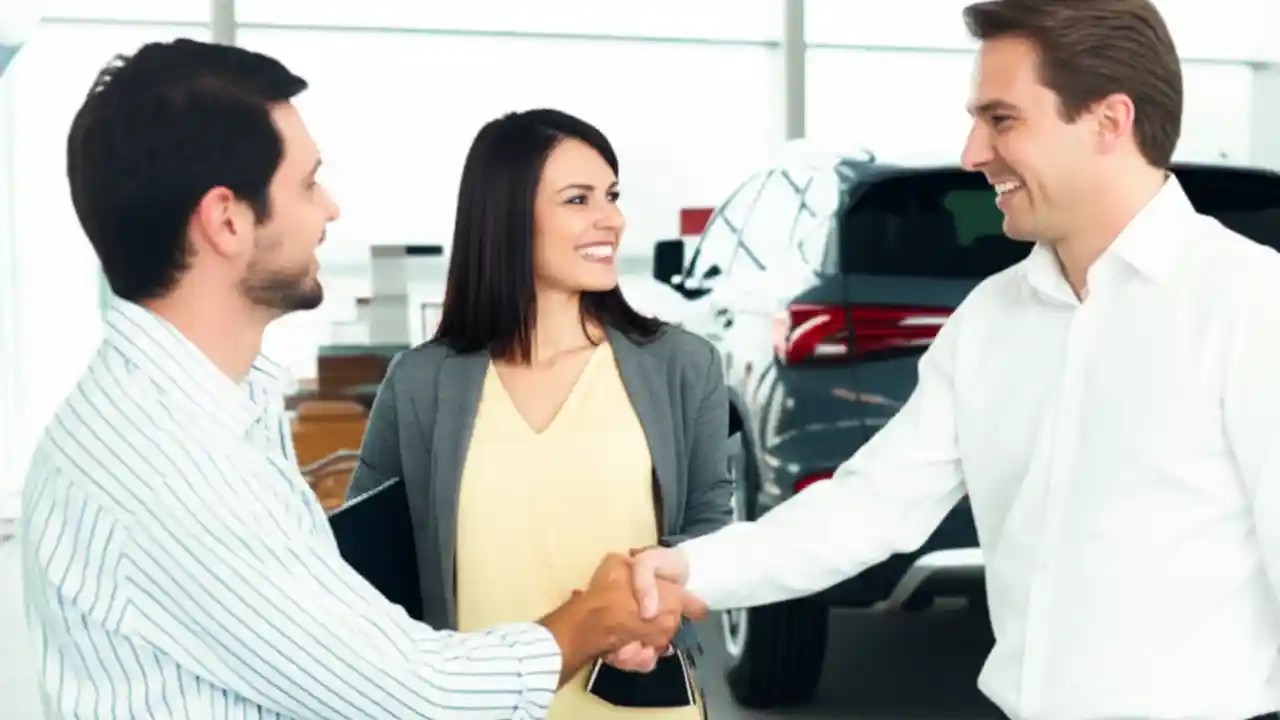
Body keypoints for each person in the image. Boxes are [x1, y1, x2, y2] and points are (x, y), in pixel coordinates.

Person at [630, 1, 1280, 718]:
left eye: (1002, 119)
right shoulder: (992, 319)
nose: (973, 151)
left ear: (1109, 121)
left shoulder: (1250, 305)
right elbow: (868, 508)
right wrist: (688, 568)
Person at [20, 38, 697, 720]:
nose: (331, 209)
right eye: (308, 183)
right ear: (227, 220)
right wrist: (584, 624)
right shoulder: (168, 465)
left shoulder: (211, 414)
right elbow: (411, 692)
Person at [346, 108, 733, 718]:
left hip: (633, 704)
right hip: (478, 706)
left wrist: (661, 617)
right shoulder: (422, 383)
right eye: (578, 199)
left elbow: (709, 524)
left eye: (611, 195)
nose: (611, 219)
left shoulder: (683, 366)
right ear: (505, 217)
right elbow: (368, 571)